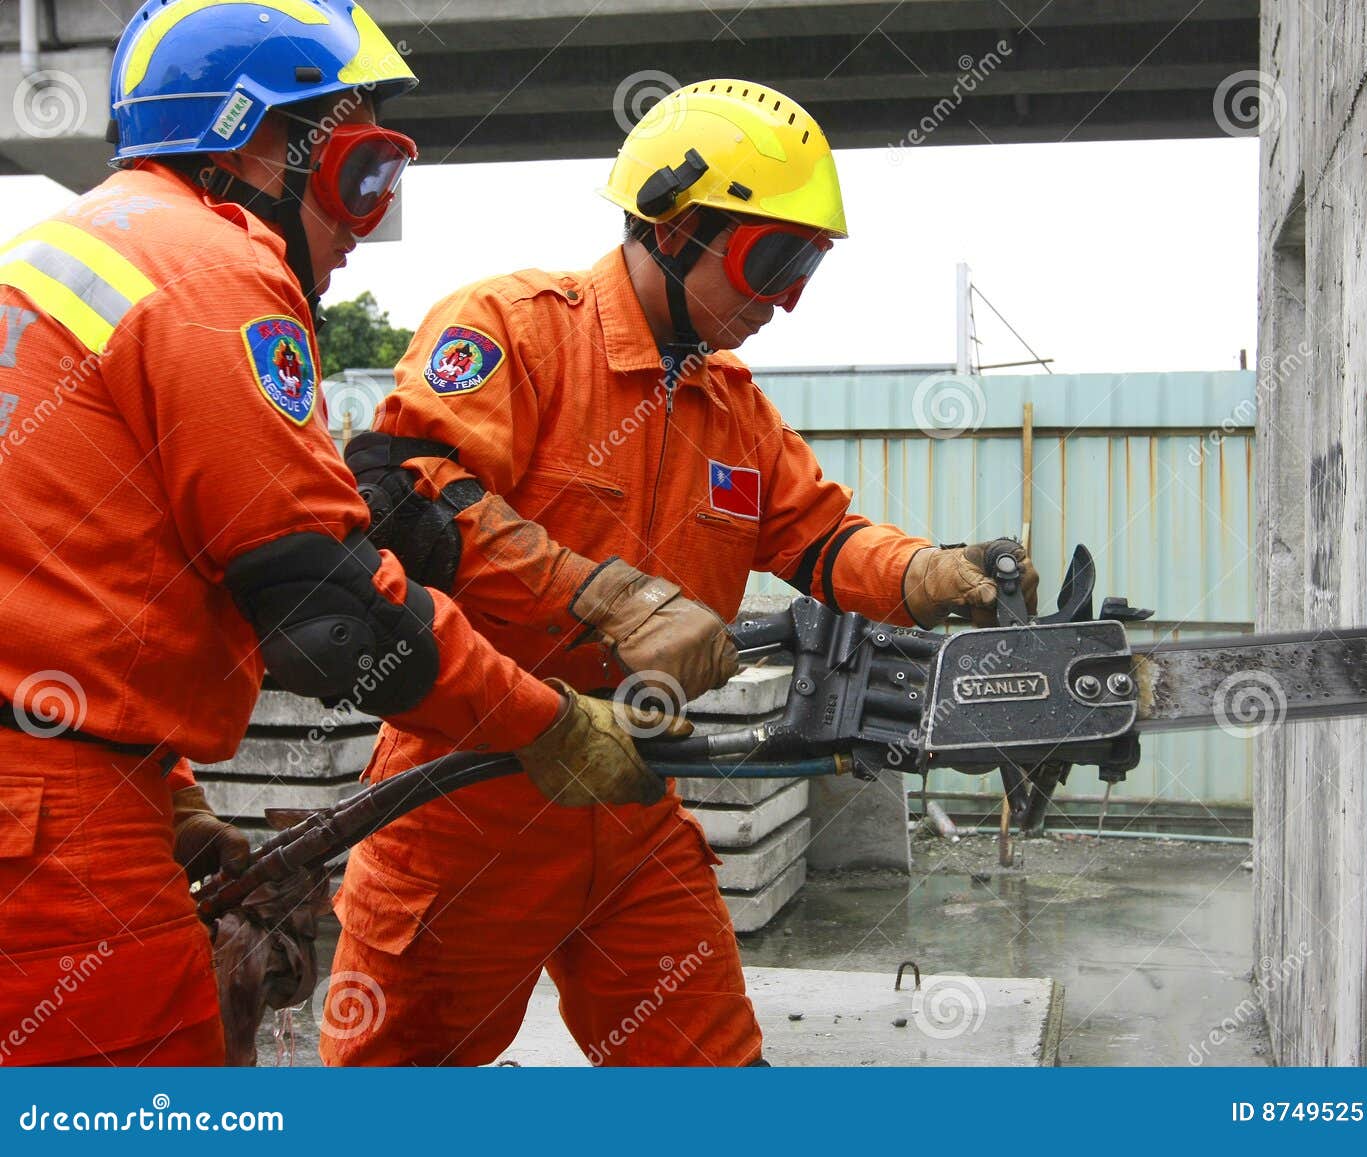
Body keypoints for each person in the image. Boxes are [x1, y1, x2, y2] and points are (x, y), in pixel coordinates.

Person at [325, 78, 1040, 1067]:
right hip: (469, 795)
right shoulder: (513, 330)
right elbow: (407, 494)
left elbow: (822, 541)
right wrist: (607, 593)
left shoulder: (729, 406)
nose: (786, 295)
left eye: (807, 268)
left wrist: (931, 570)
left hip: (631, 786)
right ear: (673, 225)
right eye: (774, 256)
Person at [0, 0, 659, 1067]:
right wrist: (547, 721)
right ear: (256, 146)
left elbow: (49, 591)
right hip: (52, 848)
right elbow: (334, 616)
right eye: (364, 173)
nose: (367, 224)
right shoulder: (214, 271)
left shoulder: (54, 259)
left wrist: (164, 800)